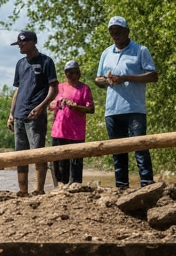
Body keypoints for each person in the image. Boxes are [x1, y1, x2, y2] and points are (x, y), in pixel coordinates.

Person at [95, 16, 159, 189]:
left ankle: (147, 184)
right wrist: (107, 80)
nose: (115, 34)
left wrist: (124, 78)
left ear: (127, 31)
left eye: (118, 31)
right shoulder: (106, 53)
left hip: (134, 108)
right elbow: (97, 79)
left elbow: (153, 75)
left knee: (140, 146)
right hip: (112, 110)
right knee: (117, 150)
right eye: (112, 31)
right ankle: (121, 186)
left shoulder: (140, 50)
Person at [6, 29, 58, 196]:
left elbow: (54, 88)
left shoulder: (46, 62)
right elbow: (18, 90)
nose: (19, 46)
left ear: (32, 42)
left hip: (35, 116)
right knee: (20, 156)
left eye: (22, 42)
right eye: (18, 43)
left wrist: (41, 107)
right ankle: (22, 191)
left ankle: (38, 190)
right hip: (19, 115)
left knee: (38, 153)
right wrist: (11, 114)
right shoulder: (20, 64)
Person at [49, 59, 94, 184]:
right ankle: (60, 185)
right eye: (68, 73)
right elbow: (50, 104)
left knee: (76, 162)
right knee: (58, 162)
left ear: (78, 73)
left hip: (76, 132)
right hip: (59, 130)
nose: (70, 75)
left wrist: (75, 107)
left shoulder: (84, 89)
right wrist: (59, 102)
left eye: (73, 72)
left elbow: (91, 109)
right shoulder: (60, 87)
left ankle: (76, 186)